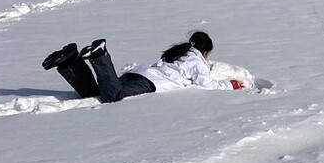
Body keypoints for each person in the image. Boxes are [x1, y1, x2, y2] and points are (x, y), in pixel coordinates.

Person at [42, 30, 245, 103]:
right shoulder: (195, 60)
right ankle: (100, 55)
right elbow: (206, 84)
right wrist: (231, 85)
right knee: (113, 97)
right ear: (205, 52)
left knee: (94, 93)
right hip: (150, 83)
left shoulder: (177, 53)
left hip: (138, 73)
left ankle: (70, 61)